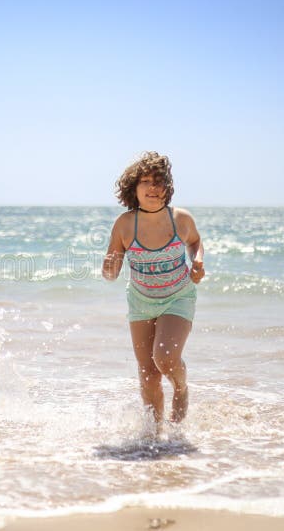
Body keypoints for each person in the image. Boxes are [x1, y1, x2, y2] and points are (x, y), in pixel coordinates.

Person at [102, 151, 205, 431]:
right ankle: (154, 434)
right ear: (133, 189)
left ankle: (181, 387)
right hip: (141, 301)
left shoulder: (180, 219)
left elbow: (195, 242)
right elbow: (111, 272)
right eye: (146, 181)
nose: (153, 187)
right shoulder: (125, 224)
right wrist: (108, 267)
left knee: (165, 358)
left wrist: (197, 261)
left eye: (159, 181)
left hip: (178, 297)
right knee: (148, 373)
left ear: (167, 187)